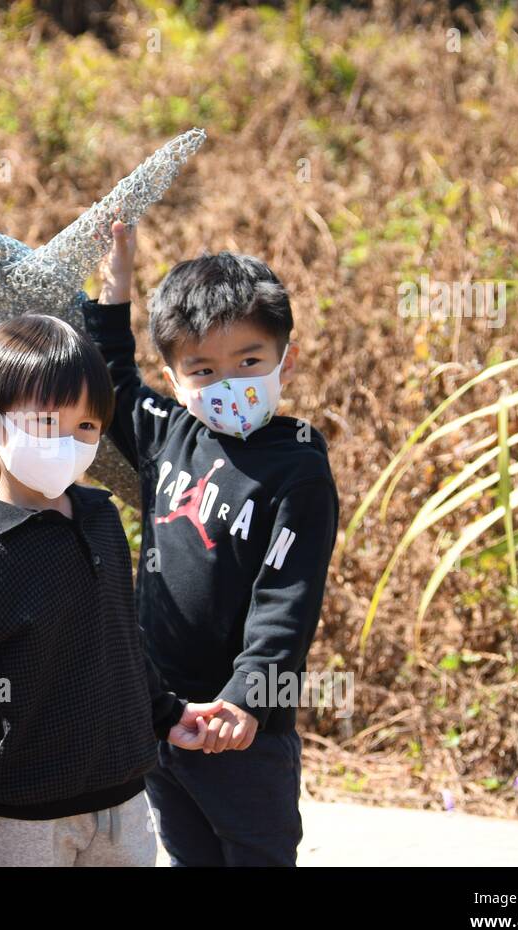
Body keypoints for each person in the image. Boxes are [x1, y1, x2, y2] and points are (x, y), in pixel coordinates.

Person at [0, 313, 230, 866]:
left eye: (87, 429)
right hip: (22, 815)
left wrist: (167, 715)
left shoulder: (100, 519)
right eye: (48, 423)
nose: (69, 444)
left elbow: (118, 640)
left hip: (122, 803)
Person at [81, 220, 340, 866]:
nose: (227, 384)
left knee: (256, 852)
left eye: (249, 361)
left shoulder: (298, 466)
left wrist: (250, 696)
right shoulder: (169, 433)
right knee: (186, 853)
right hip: (163, 715)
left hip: (239, 731)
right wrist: (114, 291)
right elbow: (110, 376)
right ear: (172, 377)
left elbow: (287, 598)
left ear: (287, 358)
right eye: (202, 369)